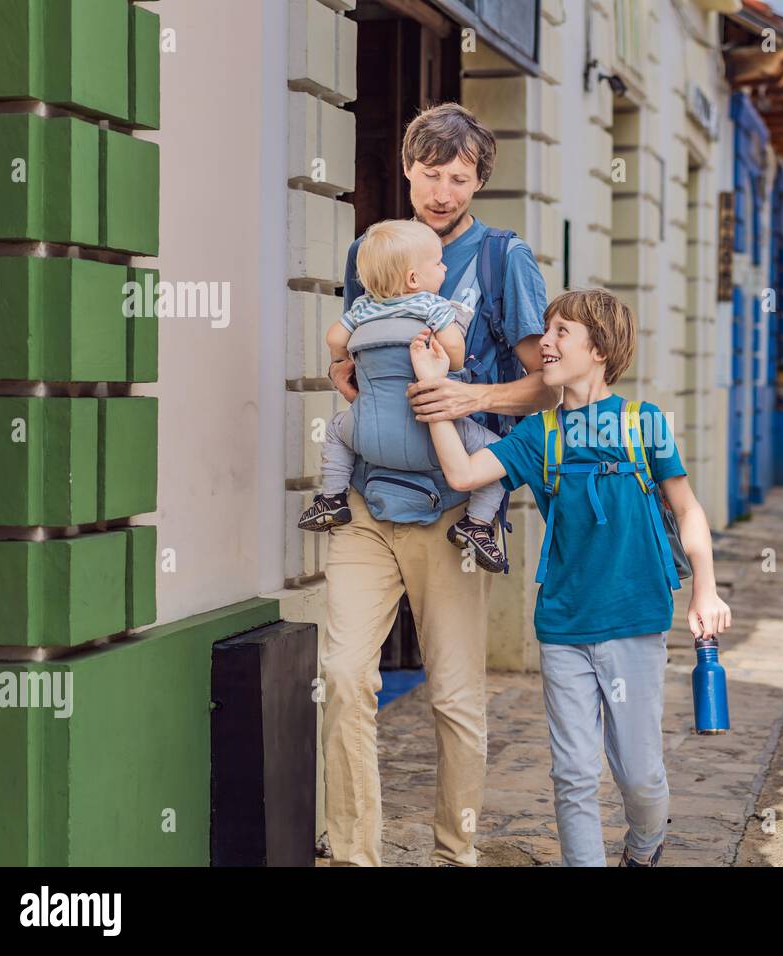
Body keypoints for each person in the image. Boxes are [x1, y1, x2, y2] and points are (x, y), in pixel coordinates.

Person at [411, 288, 732, 866]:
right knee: (574, 774)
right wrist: (436, 398)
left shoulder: (645, 424)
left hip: (635, 620)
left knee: (640, 776)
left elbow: (687, 509)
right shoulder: (539, 433)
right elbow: (461, 474)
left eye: (562, 332)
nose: (547, 343)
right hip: (562, 624)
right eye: (547, 329)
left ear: (600, 348)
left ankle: (645, 843)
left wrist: (705, 587)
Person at [320, 102, 556, 867]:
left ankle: (456, 854)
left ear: (480, 179)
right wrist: (342, 370)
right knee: (343, 675)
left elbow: (546, 384)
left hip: (454, 510)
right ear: (407, 170)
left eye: (459, 178)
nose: (442, 191)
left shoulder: (501, 259)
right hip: (365, 504)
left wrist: (471, 398)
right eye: (430, 174)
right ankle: (356, 854)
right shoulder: (372, 247)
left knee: (455, 700)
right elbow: (352, 347)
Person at [298, 218, 507, 572]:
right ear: (413, 279)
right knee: (500, 456)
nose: (445, 267)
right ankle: (477, 523)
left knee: (335, 430)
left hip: (369, 436)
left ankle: (332, 497)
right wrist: (452, 355)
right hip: (435, 441)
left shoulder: (362, 308)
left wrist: (341, 361)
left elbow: (335, 337)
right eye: (439, 263)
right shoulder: (434, 306)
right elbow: (454, 350)